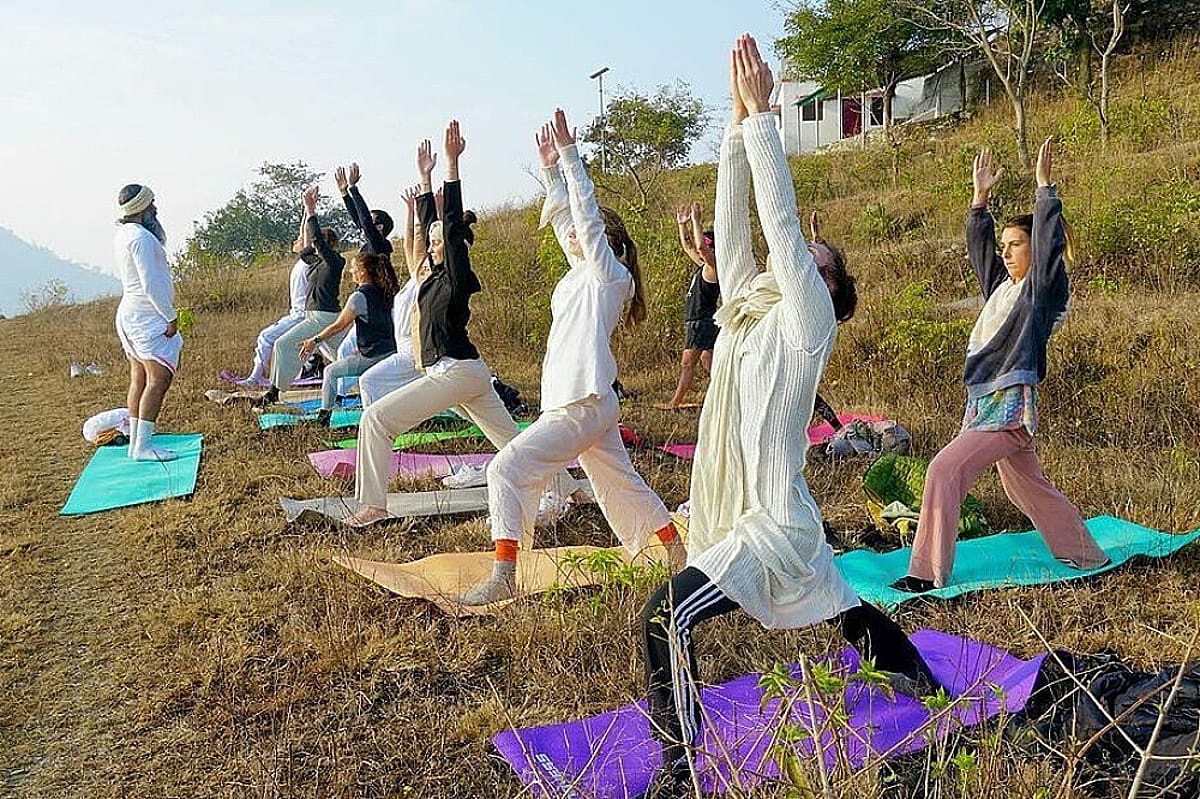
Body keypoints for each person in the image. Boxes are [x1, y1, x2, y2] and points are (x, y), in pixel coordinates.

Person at [639, 37, 936, 794]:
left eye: (820, 259)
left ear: (828, 288)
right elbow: (735, 226)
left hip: (769, 524)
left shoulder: (809, 322)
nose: (805, 252)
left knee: (662, 620)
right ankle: (923, 679)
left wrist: (767, 122)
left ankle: (680, 771)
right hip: (745, 506)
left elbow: (778, 221)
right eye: (809, 251)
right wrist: (736, 126)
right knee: (838, 602)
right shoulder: (744, 306)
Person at [457, 113, 687, 606]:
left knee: (506, 470)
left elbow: (582, 216)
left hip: (582, 402)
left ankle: (504, 574)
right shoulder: (582, 273)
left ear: (608, 242)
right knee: (617, 482)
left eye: (589, 236)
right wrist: (550, 172)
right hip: (587, 399)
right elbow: (567, 221)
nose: (574, 239)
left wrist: (571, 159)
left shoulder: (610, 276)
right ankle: (675, 553)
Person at [890, 139, 1109, 593]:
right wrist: (979, 200)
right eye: (1005, 245)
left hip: (1008, 407)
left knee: (944, 470)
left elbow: (1049, 256)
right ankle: (1088, 556)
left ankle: (925, 573)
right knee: (1025, 487)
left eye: (1016, 245)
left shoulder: (1040, 294)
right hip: (987, 402)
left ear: (1037, 250)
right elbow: (981, 253)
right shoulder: (1003, 291)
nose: (1006, 253)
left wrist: (1045, 190)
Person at [343, 122, 576, 528]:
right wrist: (424, 179)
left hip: (454, 371)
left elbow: (447, 229)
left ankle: (374, 506)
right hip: (467, 374)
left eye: (437, 245)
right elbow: (428, 232)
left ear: (450, 250)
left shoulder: (454, 273)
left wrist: (452, 167)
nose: (430, 248)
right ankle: (571, 487)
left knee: (376, 419)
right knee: (515, 442)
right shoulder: (429, 275)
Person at [255, 187, 347, 406]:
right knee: (341, 357)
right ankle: (276, 390)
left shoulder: (335, 261)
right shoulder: (316, 262)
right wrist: (306, 213)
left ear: (327, 245)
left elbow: (314, 238)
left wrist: (311, 209)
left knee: (282, 344)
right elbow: (306, 246)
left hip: (323, 318)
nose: (314, 246)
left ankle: (274, 392)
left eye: (319, 244)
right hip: (320, 317)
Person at [113, 183, 182, 462]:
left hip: (131, 315)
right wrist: (170, 316)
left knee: (139, 378)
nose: (156, 208)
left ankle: (135, 444)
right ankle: (142, 447)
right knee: (158, 379)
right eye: (152, 204)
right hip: (145, 316)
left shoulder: (124, 234)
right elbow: (150, 283)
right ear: (143, 208)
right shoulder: (141, 237)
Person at [298, 248, 399, 425]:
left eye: (353, 268)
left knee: (330, 371)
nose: (351, 271)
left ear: (363, 272)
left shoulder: (358, 297)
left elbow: (339, 325)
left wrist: (314, 340)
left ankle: (323, 418)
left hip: (375, 356)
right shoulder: (384, 291)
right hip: (390, 351)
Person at [358, 185, 432, 406]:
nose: (422, 264)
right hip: (406, 351)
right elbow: (412, 242)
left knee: (368, 381)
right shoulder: (415, 278)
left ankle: (373, 423)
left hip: (412, 354)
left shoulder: (426, 284)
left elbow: (422, 240)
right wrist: (412, 212)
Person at [231, 210, 316, 390]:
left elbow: (307, 234)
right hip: (298, 314)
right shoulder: (303, 262)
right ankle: (311, 364)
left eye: (299, 239)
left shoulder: (309, 262)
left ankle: (254, 378)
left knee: (266, 337)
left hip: (301, 316)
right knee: (282, 343)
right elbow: (304, 233)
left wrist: (310, 210)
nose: (296, 241)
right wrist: (305, 209)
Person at [660, 203, 719, 410]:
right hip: (702, 321)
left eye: (708, 246)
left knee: (687, 364)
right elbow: (688, 246)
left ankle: (674, 403)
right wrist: (682, 225)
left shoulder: (713, 267)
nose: (702, 249)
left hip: (701, 322)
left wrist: (696, 221)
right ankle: (726, 395)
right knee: (708, 361)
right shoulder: (703, 265)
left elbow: (700, 247)